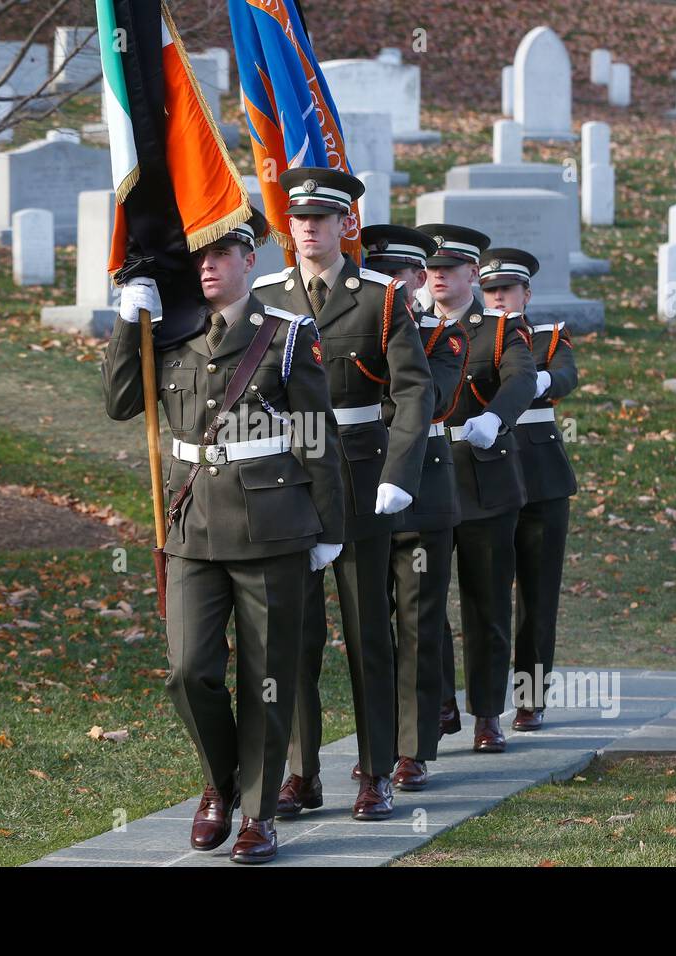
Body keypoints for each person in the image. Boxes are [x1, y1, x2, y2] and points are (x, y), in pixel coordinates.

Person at [101, 208, 344, 863]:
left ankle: (258, 815)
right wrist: (130, 319)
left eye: (221, 254)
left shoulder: (287, 335)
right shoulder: (170, 330)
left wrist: (331, 527)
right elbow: (121, 401)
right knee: (188, 671)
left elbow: (318, 434)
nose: (205, 266)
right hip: (190, 526)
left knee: (267, 679)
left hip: (274, 528)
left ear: (249, 260)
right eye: (197, 256)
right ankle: (221, 782)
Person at [255, 167, 434, 821]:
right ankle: (301, 773)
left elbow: (413, 390)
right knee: (294, 632)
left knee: (367, 632)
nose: (308, 228)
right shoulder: (266, 296)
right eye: (299, 219)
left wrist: (400, 472)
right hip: (292, 481)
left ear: (343, 226)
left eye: (321, 219)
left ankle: (377, 770)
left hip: (361, 477)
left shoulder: (380, 297)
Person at [362, 223, 468, 791]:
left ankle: (412, 747)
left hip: (423, 494)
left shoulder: (443, 337)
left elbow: (434, 400)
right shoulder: (355, 331)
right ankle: (379, 741)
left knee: (419, 621)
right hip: (361, 490)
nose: (391, 287)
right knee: (369, 626)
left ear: (417, 280)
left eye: (400, 277)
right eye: (380, 275)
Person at [430, 229, 537, 754]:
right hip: (424, 476)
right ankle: (438, 703)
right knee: (420, 603)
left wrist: (497, 417)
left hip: (483, 477)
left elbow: (520, 378)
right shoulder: (407, 324)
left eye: (450, 267)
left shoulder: (498, 330)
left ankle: (488, 713)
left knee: (487, 602)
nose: (438, 274)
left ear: (473, 274)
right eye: (431, 266)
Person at [484, 250, 578, 732]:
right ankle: (486, 706)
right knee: (490, 596)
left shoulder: (546, 337)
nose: (498, 297)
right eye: (490, 289)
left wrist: (540, 377)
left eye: (507, 289)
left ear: (526, 294)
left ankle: (531, 697)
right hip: (488, 480)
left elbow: (567, 375)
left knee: (538, 596)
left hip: (541, 481)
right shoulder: (469, 339)